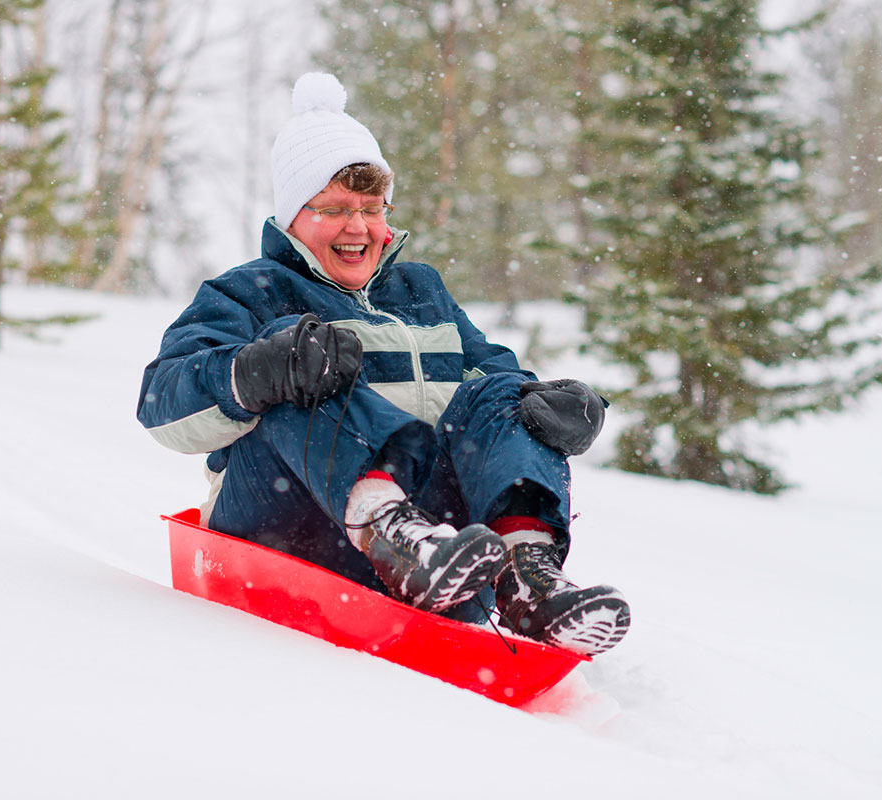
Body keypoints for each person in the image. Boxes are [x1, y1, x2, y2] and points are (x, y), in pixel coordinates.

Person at [137, 72, 630, 656]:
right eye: (335, 209)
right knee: (304, 352)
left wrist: (550, 407)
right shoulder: (250, 291)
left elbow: (491, 383)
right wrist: (251, 373)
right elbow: (160, 402)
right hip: (288, 532)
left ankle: (524, 576)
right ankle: (386, 528)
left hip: (439, 560)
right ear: (292, 215)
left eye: (372, 209)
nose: (359, 228)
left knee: (505, 396)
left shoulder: (420, 290)